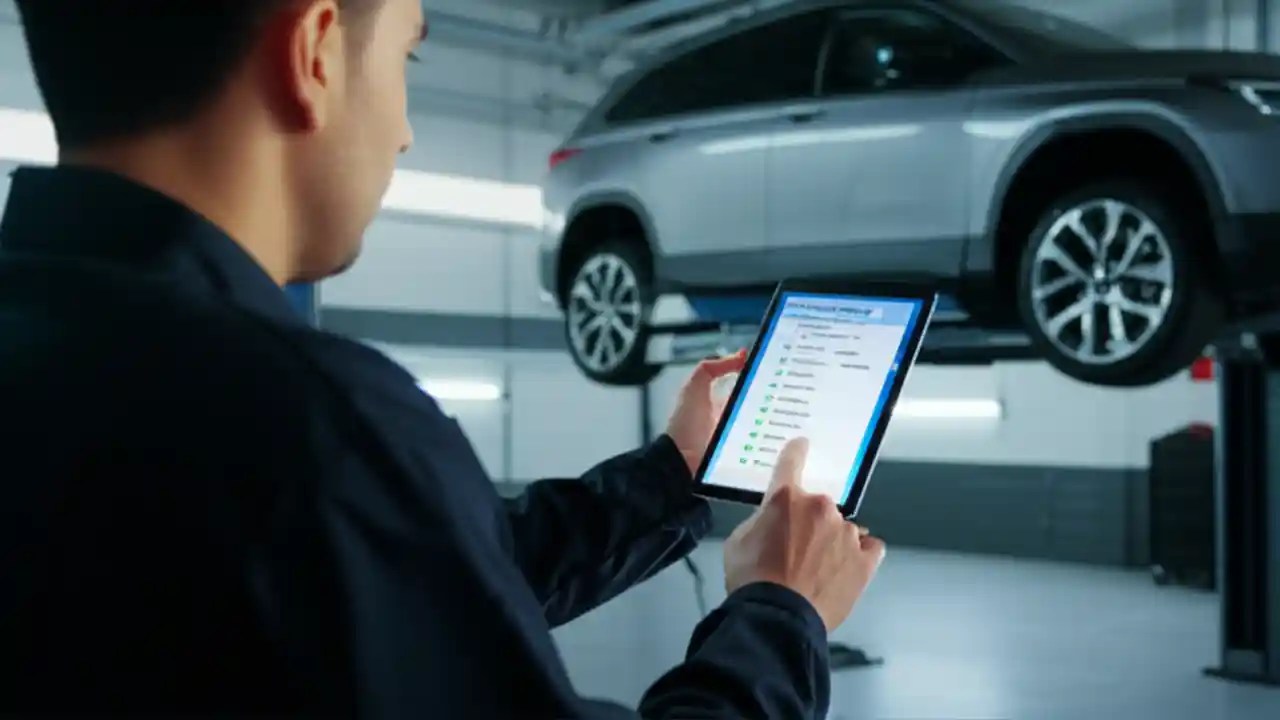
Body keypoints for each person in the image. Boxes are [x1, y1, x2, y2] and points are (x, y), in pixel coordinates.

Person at [0, 1, 886, 717]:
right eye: (407, 57)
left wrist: (672, 476)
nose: (404, 133)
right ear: (314, 53)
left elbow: (415, 575)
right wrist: (781, 613)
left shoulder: (56, 350)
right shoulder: (315, 432)